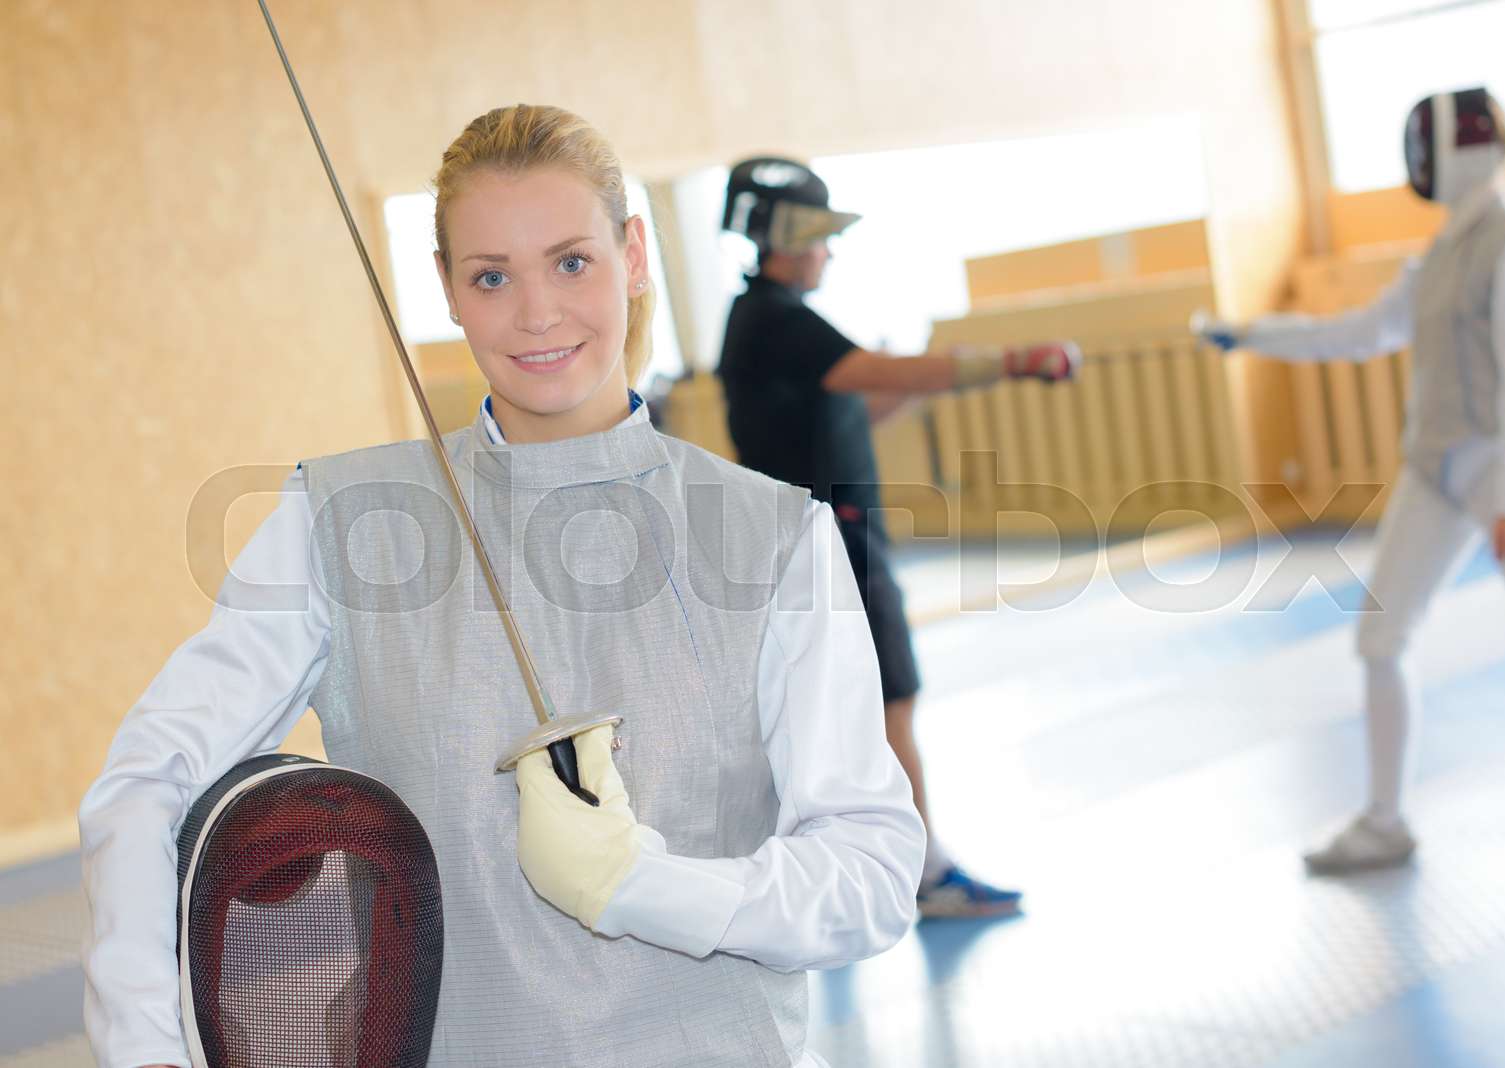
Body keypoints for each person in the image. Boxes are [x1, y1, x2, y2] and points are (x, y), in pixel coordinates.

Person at [79, 104, 924, 1068]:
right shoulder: (337, 521)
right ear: (447, 287)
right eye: (491, 276)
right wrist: (142, 1046)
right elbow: (145, 778)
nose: (536, 314)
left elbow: (872, 871)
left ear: (632, 255)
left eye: (571, 262)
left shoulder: (775, 536)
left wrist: (645, 888)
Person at [1196, 87, 1505, 875]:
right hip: (1434, 471)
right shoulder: (1440, 254)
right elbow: (1360, 332)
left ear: (1463, 149)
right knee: (1381, 638)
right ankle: (1385, 822)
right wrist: (1250, 334)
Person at [716, 157, 1079, 917]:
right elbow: (875, 370)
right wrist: (1010, 362)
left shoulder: (769, 320)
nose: (827, 252)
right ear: (788, 238)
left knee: (840, 707)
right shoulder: (775, 319)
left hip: (824, 541)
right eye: (819, 237)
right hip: (833, 545)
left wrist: (924, 384)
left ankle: (850, 866)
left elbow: (858, 404)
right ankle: (925, 873)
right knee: (891, 698)